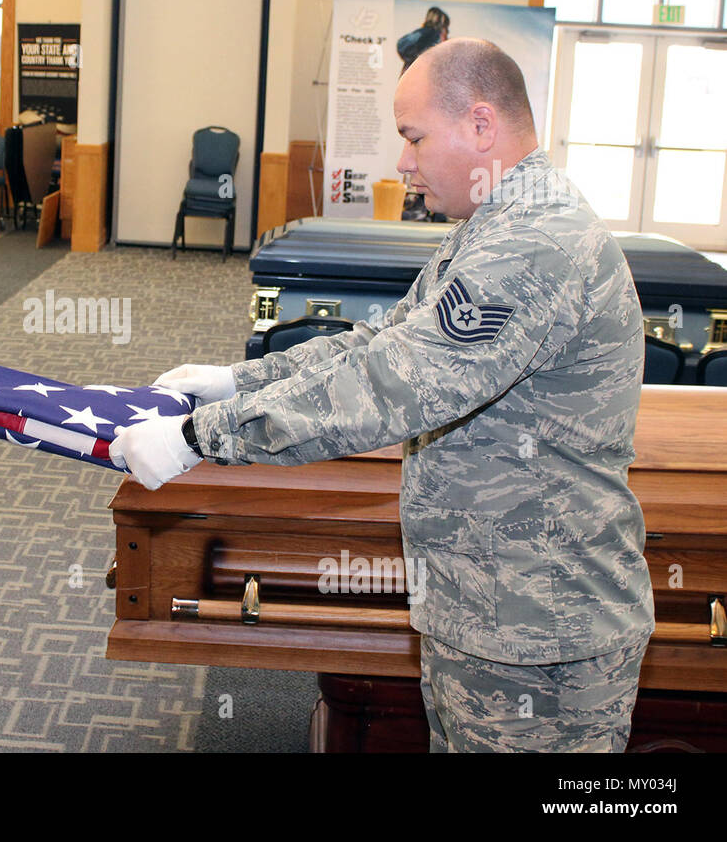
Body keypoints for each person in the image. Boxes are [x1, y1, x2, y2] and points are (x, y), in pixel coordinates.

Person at [111, 38, 655, 752]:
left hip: (541, 629)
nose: (403, 162)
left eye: (414, 136)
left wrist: (200, 439)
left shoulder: (536, 242)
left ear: (481, 126)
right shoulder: (492, 228)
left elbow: (391, 386)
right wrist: (237, 380)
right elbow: (378, 345)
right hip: (488, 611)